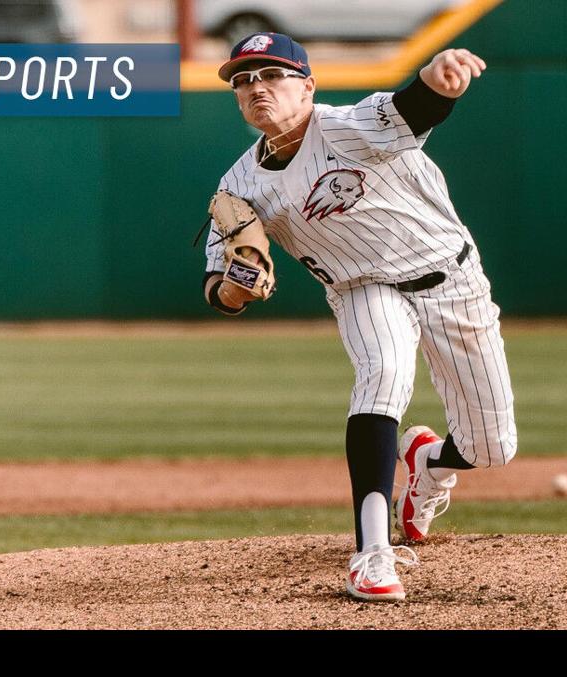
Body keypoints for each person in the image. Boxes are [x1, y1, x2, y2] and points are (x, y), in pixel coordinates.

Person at [202, 33, 517, 602]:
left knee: (492, 448)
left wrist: (438, 77)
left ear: (307, 85)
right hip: (360, 289)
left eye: (271, 75)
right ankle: (372, 553)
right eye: (243, 81)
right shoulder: (238, 185)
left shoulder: (349, 125)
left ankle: (430, 462)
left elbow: (413, 107)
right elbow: (218, 292)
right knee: (383, 376)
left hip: (452, 278)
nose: (256, 88)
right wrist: (236, 288)